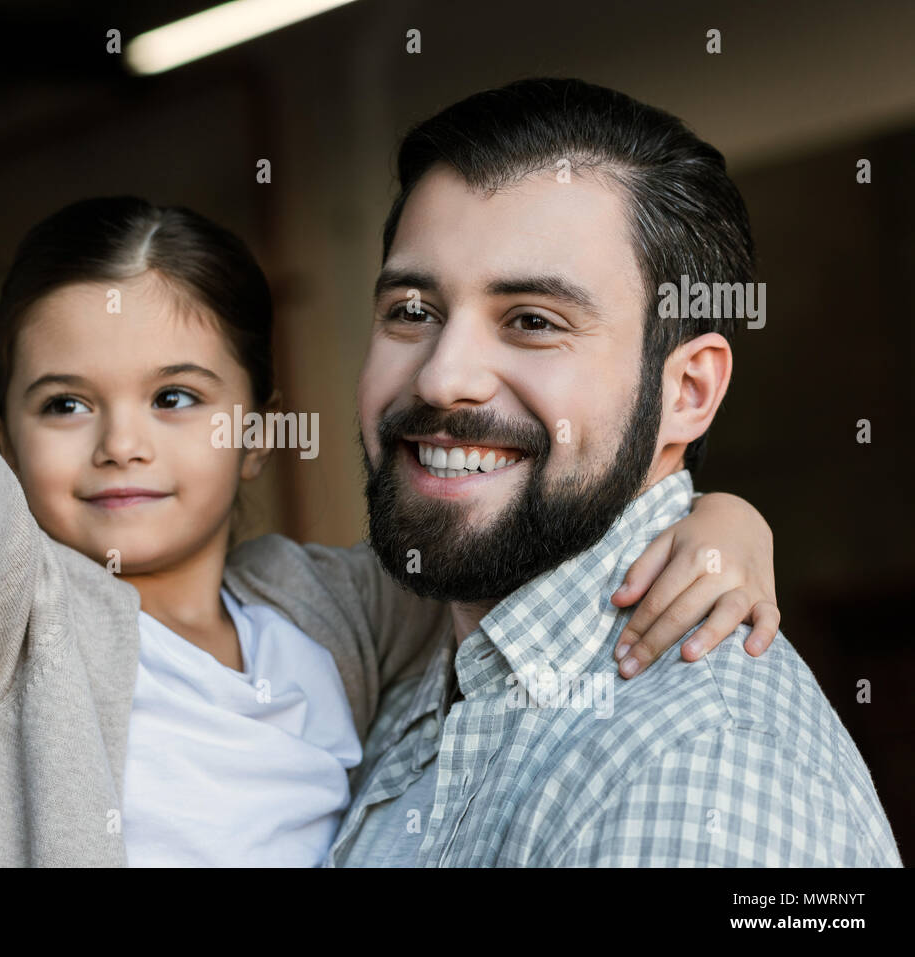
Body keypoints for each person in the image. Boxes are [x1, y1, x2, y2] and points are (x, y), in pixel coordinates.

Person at [0, 168, 779, 867]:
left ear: (255, 422)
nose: (122, 441)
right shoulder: (13, 624)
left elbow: (529, 560)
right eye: (64, 404)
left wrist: (720, 512)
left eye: (177, 398)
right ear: (3, 438)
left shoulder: (336, 608)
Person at [328, 77, 902, 866]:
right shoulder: (410, 666)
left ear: (686, 392)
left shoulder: (701, 771)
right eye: (412, 311)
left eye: (533, 321)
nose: (440, 378)